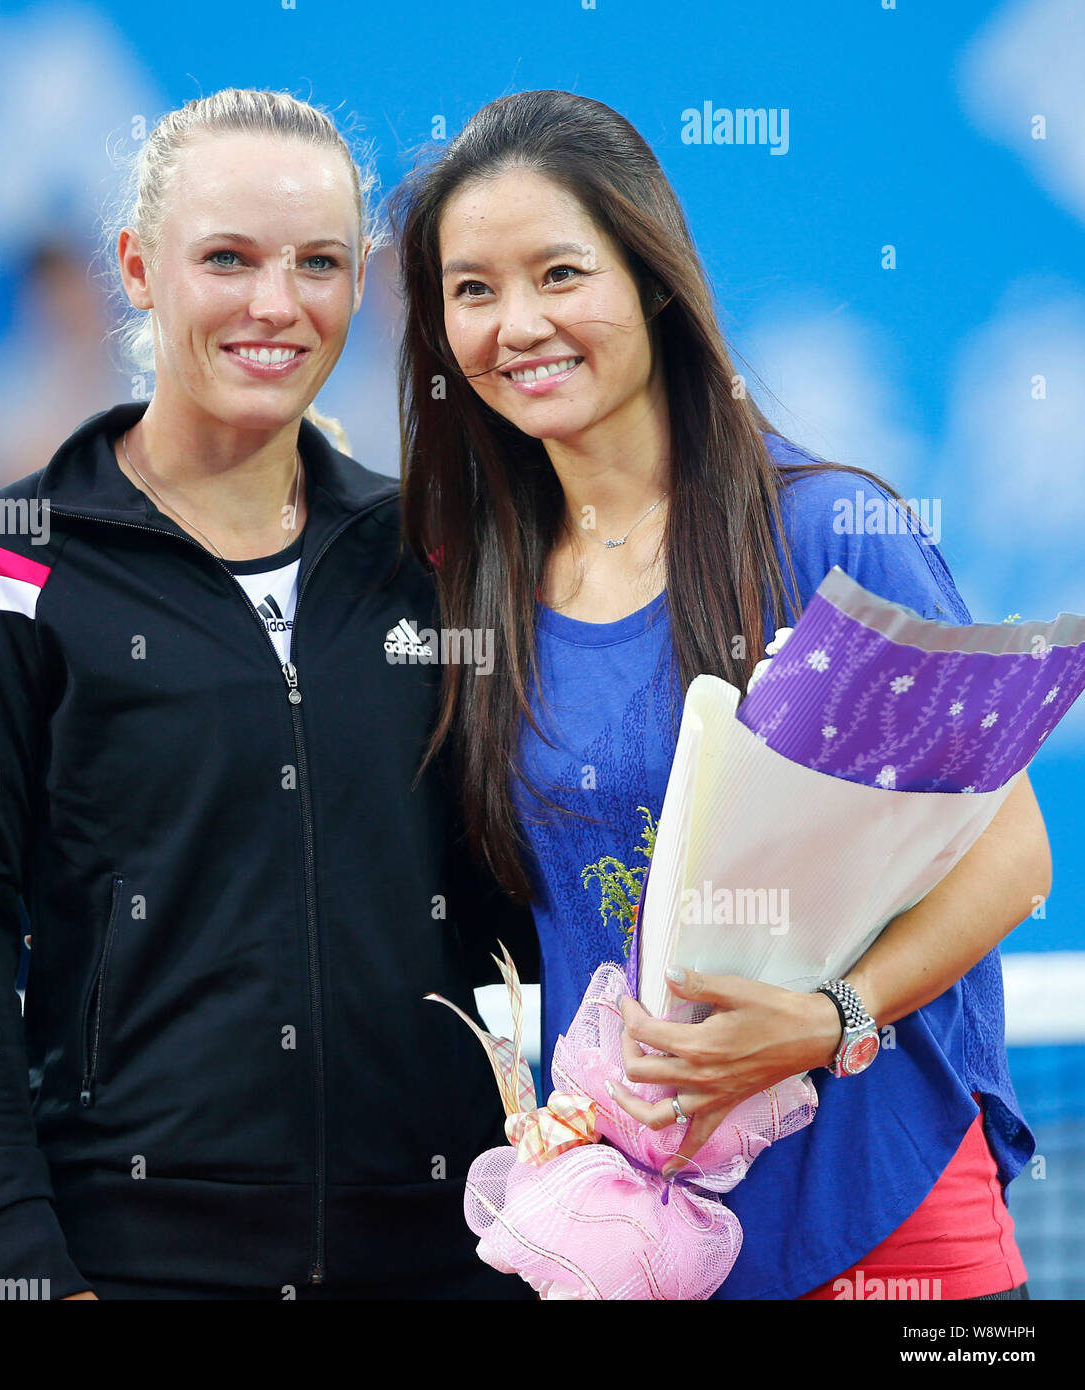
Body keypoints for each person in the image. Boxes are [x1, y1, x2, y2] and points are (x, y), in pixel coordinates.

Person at [391, 88, 1049, 1301]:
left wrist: (828, 1019)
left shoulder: (827, 531)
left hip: (887, 1218)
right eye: (472, 289)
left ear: (649, 280)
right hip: (647, 1252)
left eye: (558, 273)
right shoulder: (473, 589)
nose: (517, 323)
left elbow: (1009, 855)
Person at [0, 87, 534, 1301]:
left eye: (319, 263)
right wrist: (30, 1269)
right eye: (227, 259)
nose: (275, 305)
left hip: (452, 1255)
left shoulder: (443, 555)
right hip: (135, 1263)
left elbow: (513, 892)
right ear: (139, 267)